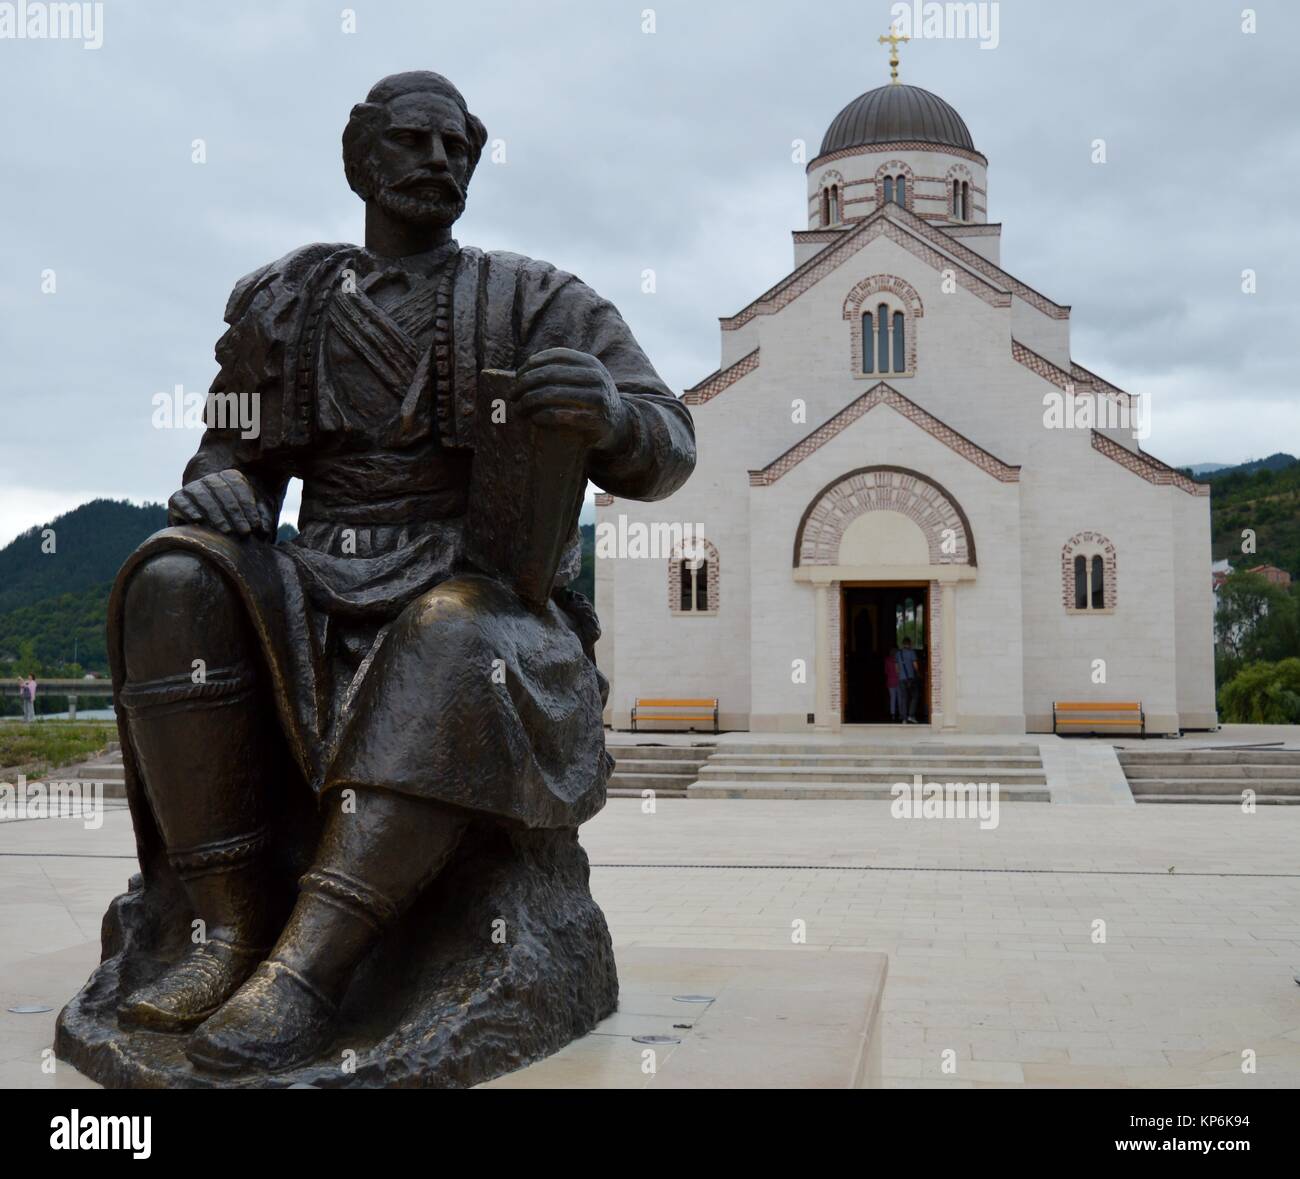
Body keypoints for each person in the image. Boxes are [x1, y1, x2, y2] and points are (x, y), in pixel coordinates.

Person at [104, 70, 696, 1074]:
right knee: (171, 579)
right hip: (314, 583)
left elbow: (669, 442)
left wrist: (608, 412)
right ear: (361, 160)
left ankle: (309, 972)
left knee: (448, 627)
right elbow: (227, 451)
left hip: (491, 601)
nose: (439, 162)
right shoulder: (288, 301)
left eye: (457, 148)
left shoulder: (537, 298)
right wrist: (222, 487)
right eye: (415, 143)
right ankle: (228, 932)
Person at [898, 637, 921, 723]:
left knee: (904, 698)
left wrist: (900, 675)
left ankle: (904, 718)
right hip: (910, 678)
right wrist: (918, 673)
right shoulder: (912, 653)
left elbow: (897, 668)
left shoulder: (898, 653)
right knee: (915, 696)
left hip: (901, 678)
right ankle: (911, 715)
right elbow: (915, 665)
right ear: (909, 644)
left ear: (903, 644)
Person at [883, 645, 902, 723]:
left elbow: (886, 672)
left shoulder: (887, 660)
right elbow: (900, 671)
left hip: (890, 681)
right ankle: (901, 713)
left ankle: (893, 714)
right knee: (900, 698)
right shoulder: (899, 660)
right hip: (899, 681)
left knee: (892, 698)